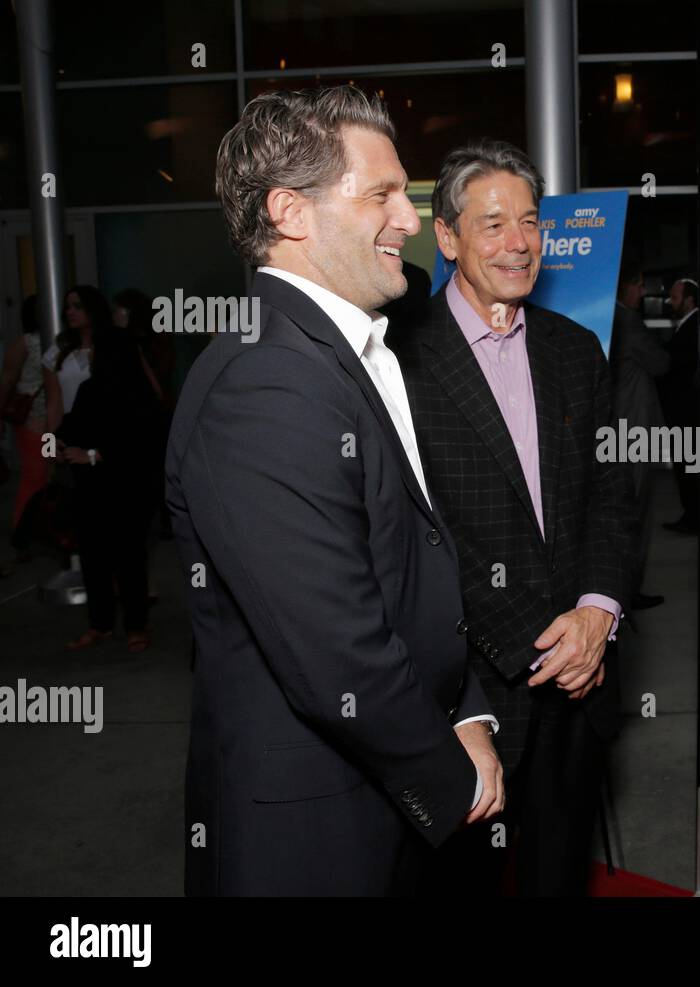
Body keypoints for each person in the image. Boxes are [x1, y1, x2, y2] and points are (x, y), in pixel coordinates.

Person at [169, 85, 501, 895]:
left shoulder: (343, 352)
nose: (412, 219)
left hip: (385, 792)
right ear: (291, 211)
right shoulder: (267, 382)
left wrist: (468, 707)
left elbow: (410, 567)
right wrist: (451, 773)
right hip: (317, 832)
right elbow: (335, 647)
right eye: (382, 194)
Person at [388, 139, 636, 896]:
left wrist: (595, 615)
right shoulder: (399, 359)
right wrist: (535, 638)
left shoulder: (573, 348)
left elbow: (610, 493)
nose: (520, 242)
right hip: (465, 691)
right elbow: (412, 536)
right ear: (449, 236)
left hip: (578, 680)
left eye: (530, 222)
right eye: (493, 224)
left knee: (557, 876)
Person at [55, 320, 164, 652]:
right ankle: (100, 624)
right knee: (93, 559)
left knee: (129, 559)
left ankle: (136, 626)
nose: (91, 356)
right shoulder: (90, 389)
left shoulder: (138, 394)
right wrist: (57, 445)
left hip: (128, 490)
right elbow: (70, 426)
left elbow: (142, 444)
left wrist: (91, 455)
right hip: (91, 491)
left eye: (96, 350)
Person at [609, 257, 669, 609]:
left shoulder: (605, 316)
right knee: (636, 510)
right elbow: (661, 364)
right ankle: (627, 593)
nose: (642, 292)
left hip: (612, 428)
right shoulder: (628, 321)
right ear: (627, 286)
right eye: (639, 285)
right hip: (633, 432)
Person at [0, 296, 49, 567]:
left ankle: (33, 531)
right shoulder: (26, 343)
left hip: (49, 416)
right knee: (35, 476)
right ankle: (22, 535)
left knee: (43, 475)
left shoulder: (60, 341)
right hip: (32, 418)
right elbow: (8, 377)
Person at [660, 276, 700, 535]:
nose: (669, 301)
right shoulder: (688, 325)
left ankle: (693, 521)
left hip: (687, 414)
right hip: (686, 413)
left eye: (675, 297)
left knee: (689, 473)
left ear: (689, 299)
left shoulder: (694, 327)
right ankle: (691, 517)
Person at [43, 285, 107, 434]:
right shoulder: (58, 349)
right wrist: (51, 444)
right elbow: (53, 403)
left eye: (77, 306)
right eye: (67, 307)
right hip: (69, 433)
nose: (70, 312)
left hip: (104, 433)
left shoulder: (111, 346)